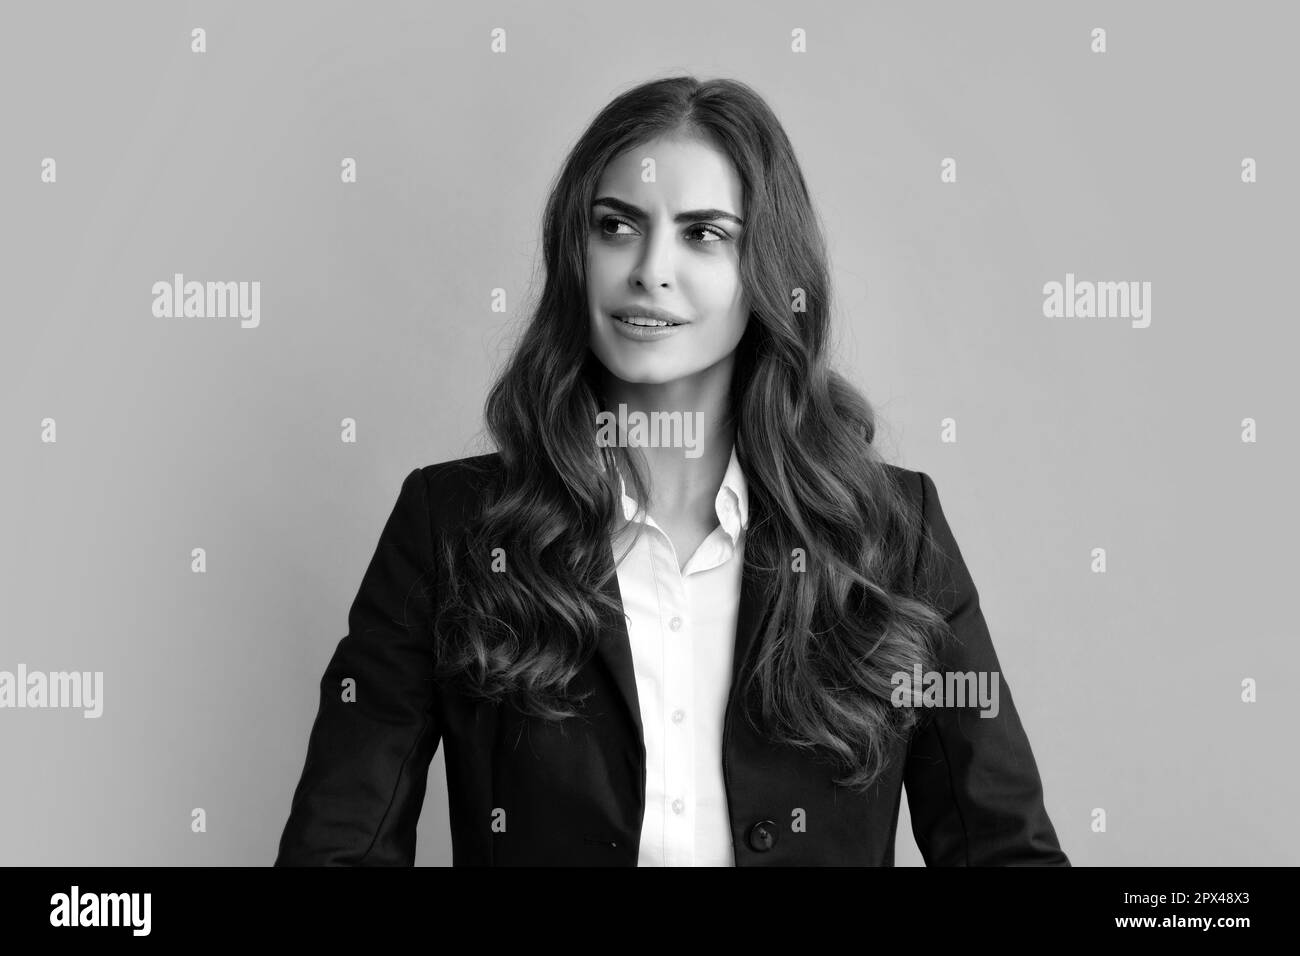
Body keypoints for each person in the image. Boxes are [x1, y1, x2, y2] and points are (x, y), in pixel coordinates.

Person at [275, 75, 1069, 867]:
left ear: (766, 271)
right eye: (617, 226)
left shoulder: (892, 531)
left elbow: (1006, 852)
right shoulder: (451, 525)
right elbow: (338, 849)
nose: (650, 269)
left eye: (704, 234)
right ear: (574, 251)